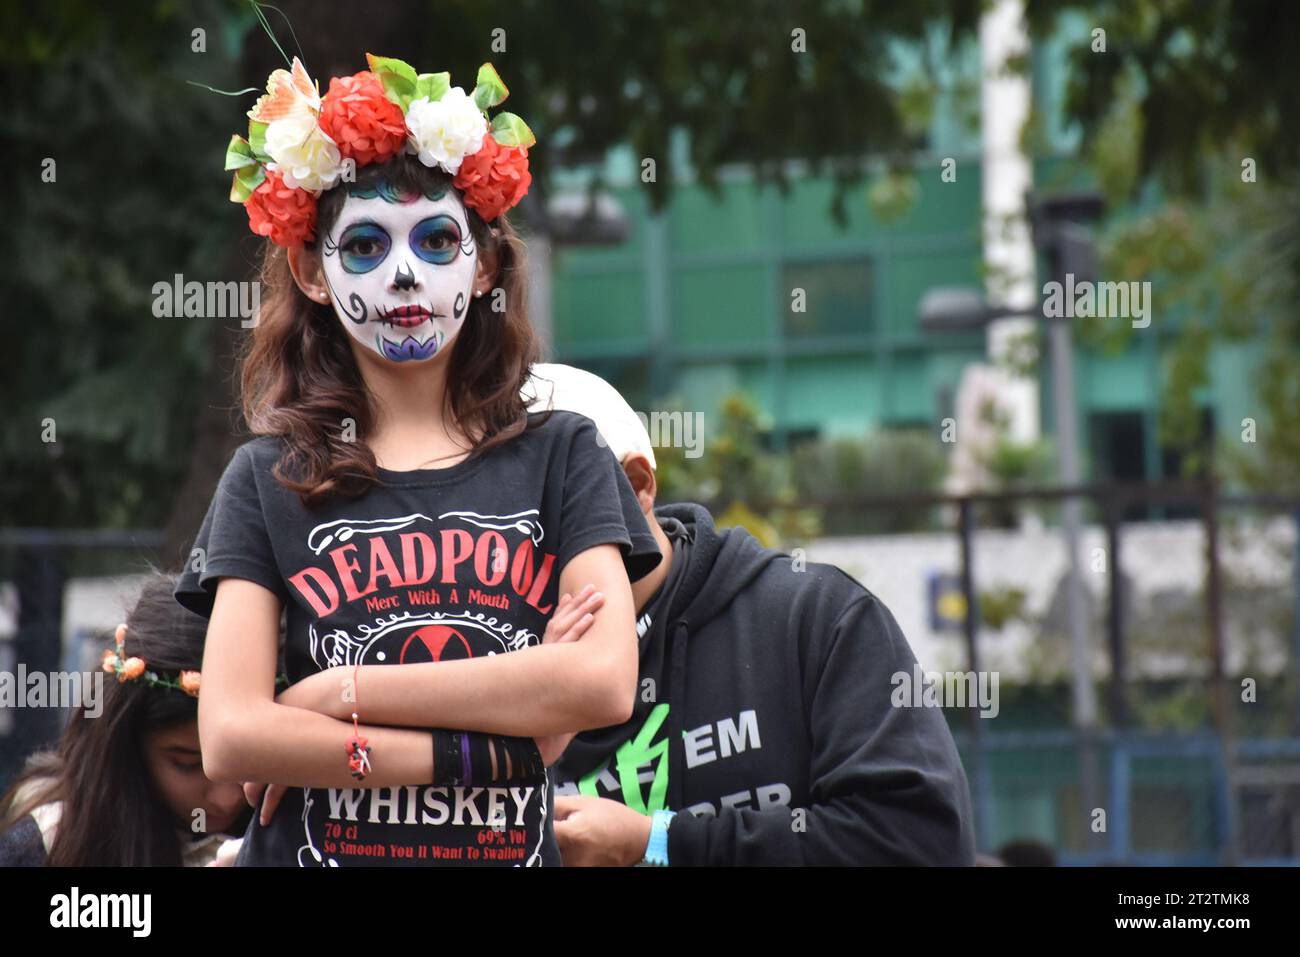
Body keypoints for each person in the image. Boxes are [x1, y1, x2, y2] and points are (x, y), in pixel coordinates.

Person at [173, 55, 660, 867]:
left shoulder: (565, 453)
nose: (404, 275)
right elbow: (231, 735)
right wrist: (503, 741)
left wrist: (334, 698)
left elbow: (603, 681)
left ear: (484, 263)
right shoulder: (265, 480)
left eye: (437, 239)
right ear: (312, 273)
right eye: (364, 244)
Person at [522, 363, 977, 865]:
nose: (517, 551)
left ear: (636, 485)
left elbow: (919, 842)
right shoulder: (485, 662)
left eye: (543, 513)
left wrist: (659, 844)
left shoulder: (814, 618)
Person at [0, 571, 251, 866]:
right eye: (187, 764)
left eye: (250, 761)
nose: (226, 798)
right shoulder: (51, 842)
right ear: (127, 745)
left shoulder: (305, 827)